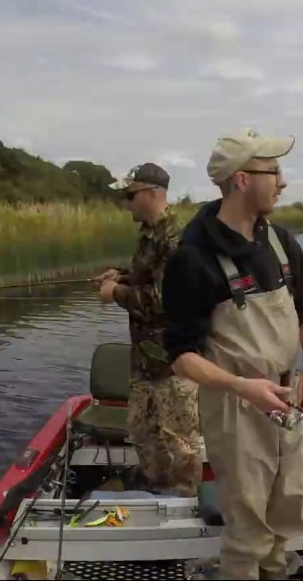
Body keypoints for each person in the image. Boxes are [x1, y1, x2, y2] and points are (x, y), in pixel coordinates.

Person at [161, 129, 303, 580]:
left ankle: (275, 572)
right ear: (241, 180)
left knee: (286, 509)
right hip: (236, 406)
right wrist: (241, 387)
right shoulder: (192, 259)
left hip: (287, 399)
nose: (283, 182)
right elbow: (180, 356)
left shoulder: (280, 242)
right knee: (247, 525)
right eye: (273, 171)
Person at [95, 162, 203, 497]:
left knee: (179, 439)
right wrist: (122, 275)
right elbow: (150, 276)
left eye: (131, 195)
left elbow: (162, 300)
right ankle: (154, 487)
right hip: (145, 360)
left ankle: (185, 499)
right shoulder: (149, 234)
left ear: (153, 194)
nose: (126, 203)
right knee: (143, 432)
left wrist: (115, 293)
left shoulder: (176, 239)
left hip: (173, 361)